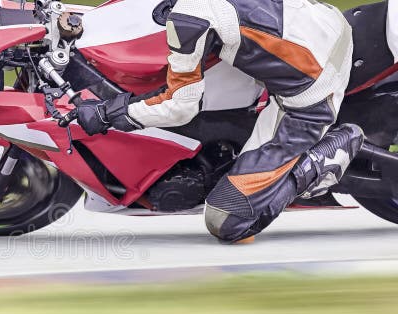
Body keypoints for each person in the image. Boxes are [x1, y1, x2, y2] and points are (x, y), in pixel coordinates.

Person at [76, 0, 365, 243]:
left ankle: (322, 160)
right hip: (323, 21)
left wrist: (107, 114)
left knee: (226, 222)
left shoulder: (190, 16)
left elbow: (180, 108)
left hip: (312, 94)